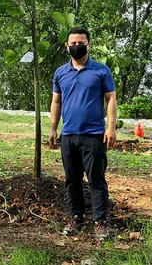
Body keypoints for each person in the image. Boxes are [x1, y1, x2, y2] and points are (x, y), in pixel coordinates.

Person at [49, 27, 118, 241]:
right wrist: (53, 128)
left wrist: (111, 127)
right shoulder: (60, 73)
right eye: (73, 43)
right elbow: (56, 101)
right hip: (69, 135)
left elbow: (111, 98)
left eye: (81, 43)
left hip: (94, 135)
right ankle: (76, 217)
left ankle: (100, 222)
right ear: (66, 46)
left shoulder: (101, 71)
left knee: (96, 179)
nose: (77, 46)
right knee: (72, 179)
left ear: (88, 45)